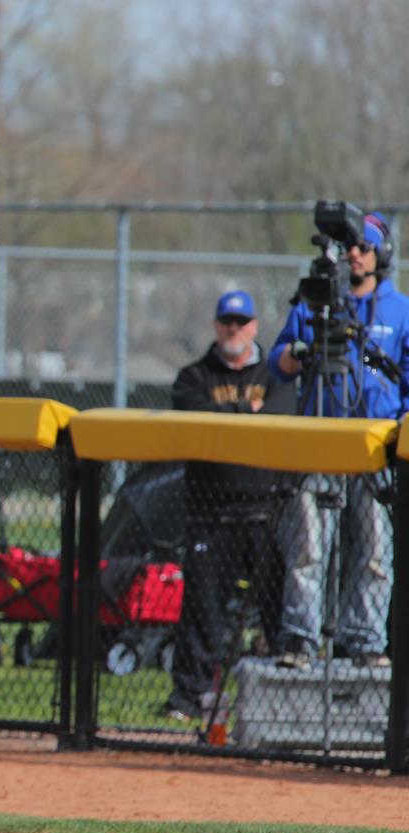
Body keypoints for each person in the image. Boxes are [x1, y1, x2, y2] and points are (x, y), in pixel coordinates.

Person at [268, 213, 409, 671]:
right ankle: (300, 637)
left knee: (373, 551)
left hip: (373, 448)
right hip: (320, 440)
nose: (354, 255)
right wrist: (297, 353)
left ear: (381, 254)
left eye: (364, 248)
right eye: (349, 248)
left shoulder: (399, 310)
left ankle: (364, 638)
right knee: (309, 546)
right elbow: (278, 362)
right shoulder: (317, 304)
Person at [161, 290, 295, 720]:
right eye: (226, 322)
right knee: (201, 608)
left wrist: (234, 418)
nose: (233, 330)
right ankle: (190, 696)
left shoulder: (275, 376)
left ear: (255, 326)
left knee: (277, 606)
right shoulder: (194, 376)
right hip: (210, 515)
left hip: (266, 512)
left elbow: (279, 416)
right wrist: (246, 412)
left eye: (241, 322)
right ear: (217, 326)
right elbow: (195, 418)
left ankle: (280, 692)